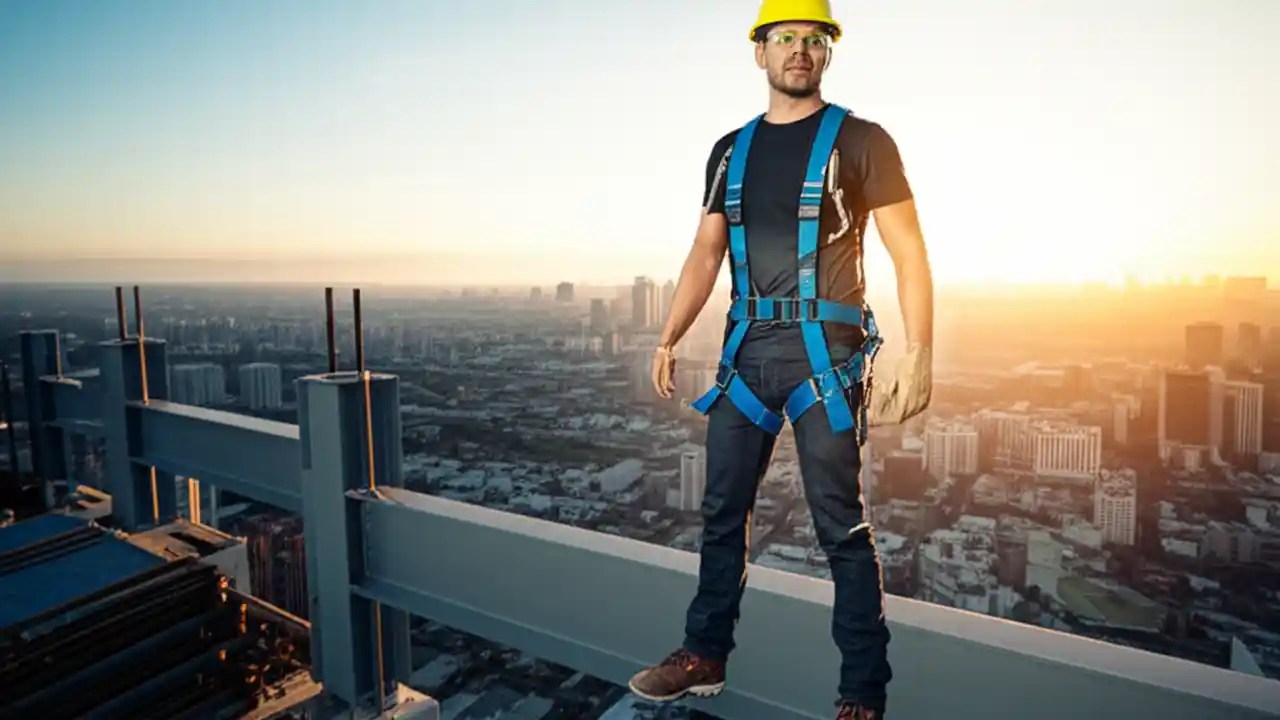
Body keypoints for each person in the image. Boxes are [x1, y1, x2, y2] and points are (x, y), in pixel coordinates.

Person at [627, 1, 934, 718]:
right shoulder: (729, 151)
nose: (799, 49)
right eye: (785, 38)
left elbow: (909, 251)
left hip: (824, 360)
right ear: (759, 52)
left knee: (840, 524)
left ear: (828, 53)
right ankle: (704, 653)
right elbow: (707, 251)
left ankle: (862, 690)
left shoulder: (862, 142)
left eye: (813, 39)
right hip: (747, 358)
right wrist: (669, 334)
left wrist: (918, 353)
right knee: (720, 510)